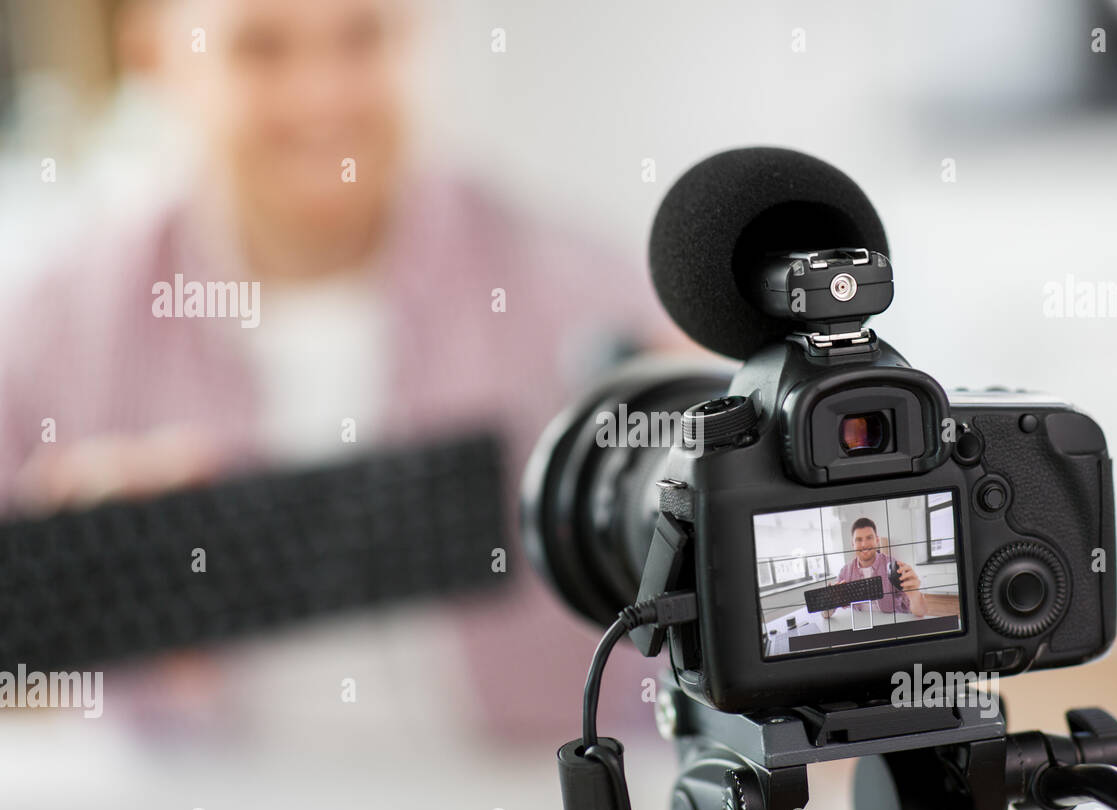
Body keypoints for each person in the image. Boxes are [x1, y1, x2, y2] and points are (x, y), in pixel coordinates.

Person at [0, 0, 678, 739]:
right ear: (156, 60)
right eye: (260, 47)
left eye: (364, 36)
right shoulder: (51, 332)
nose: (322, 94)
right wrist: (63, 595)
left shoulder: (595, 300)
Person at [822, 517, 927, 621]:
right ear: (853, 544)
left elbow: (920, 612)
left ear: (877, 540)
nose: (864, 544)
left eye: (869, 538)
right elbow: (826, 615)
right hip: (862, 625)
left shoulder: (892, 565)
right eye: (858, 540)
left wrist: (914, 594)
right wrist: (830, 601)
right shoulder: (845, 571)